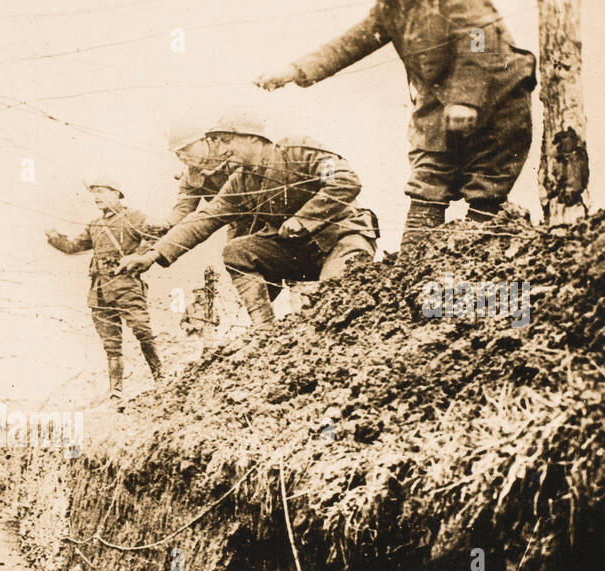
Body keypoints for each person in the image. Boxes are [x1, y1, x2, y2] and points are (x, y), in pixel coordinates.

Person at [254, 0, 536, 245]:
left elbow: (479, 39)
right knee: (427, 183)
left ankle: (476, 258)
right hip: (438, 104)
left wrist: (465, 98)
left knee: (486, 189)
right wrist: (295, 70)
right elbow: (353, 42)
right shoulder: (395, 3)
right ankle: (413, 264)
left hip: (498, 98)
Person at [118, 109, 378, 327]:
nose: (220, 149)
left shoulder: (298, 151)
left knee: (334, 304)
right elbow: (205, 218)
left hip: (342, 239)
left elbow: (344, 180)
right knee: (236, 251)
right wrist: (152, 255)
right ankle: (264, 331)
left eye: (226, 141)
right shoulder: (240, 181)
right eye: (217, 142)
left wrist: (303, 219)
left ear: (252, 137)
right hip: (299, 254)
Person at [47, 179, 165, 407]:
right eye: (94, 193)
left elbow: (157, 234)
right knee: (111, 344)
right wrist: (54, 237)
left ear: (116, 193)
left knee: (142, 331)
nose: (96, 197)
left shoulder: (134, 216)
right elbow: (73, 247)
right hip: (99, 290)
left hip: (127, 285)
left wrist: (138, 256)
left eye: (101, 192)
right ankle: (116, 392)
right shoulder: (95, 225)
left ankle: (161, 379)